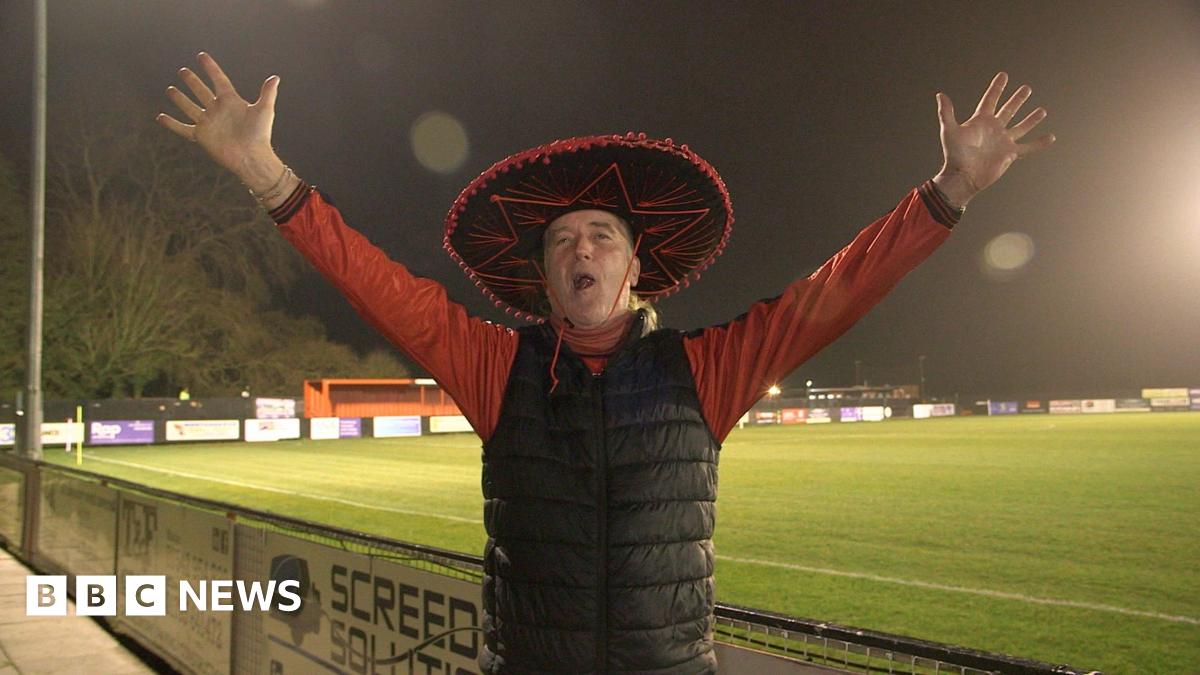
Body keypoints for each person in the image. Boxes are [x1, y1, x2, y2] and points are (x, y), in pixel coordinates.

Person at [158, 53, 1053, 674]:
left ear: (634, 266)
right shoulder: (492, 365)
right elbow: (378, 286)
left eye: (601, 236)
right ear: (544, 274)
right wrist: (267, 175)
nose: (581, 249)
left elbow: (839, 289)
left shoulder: (705, 370)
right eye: (562, 242)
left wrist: (951, 193)